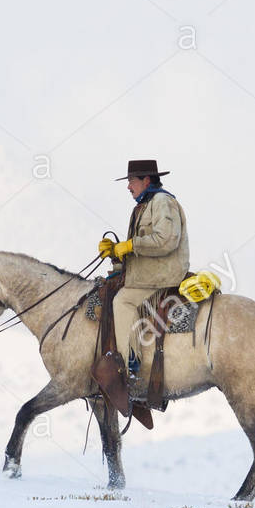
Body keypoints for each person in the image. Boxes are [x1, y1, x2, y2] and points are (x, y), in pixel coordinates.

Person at [98, 159, 190, 410]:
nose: (128, 187)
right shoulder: (145, 205)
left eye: (131, 181)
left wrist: (130, 245)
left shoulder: (162, 202)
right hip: (148, 272)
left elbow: (166, 240)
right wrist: (117, 253)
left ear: (146, 180)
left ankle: (127, 367)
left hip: (163, 275)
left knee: (123, 301)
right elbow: (142, 247)